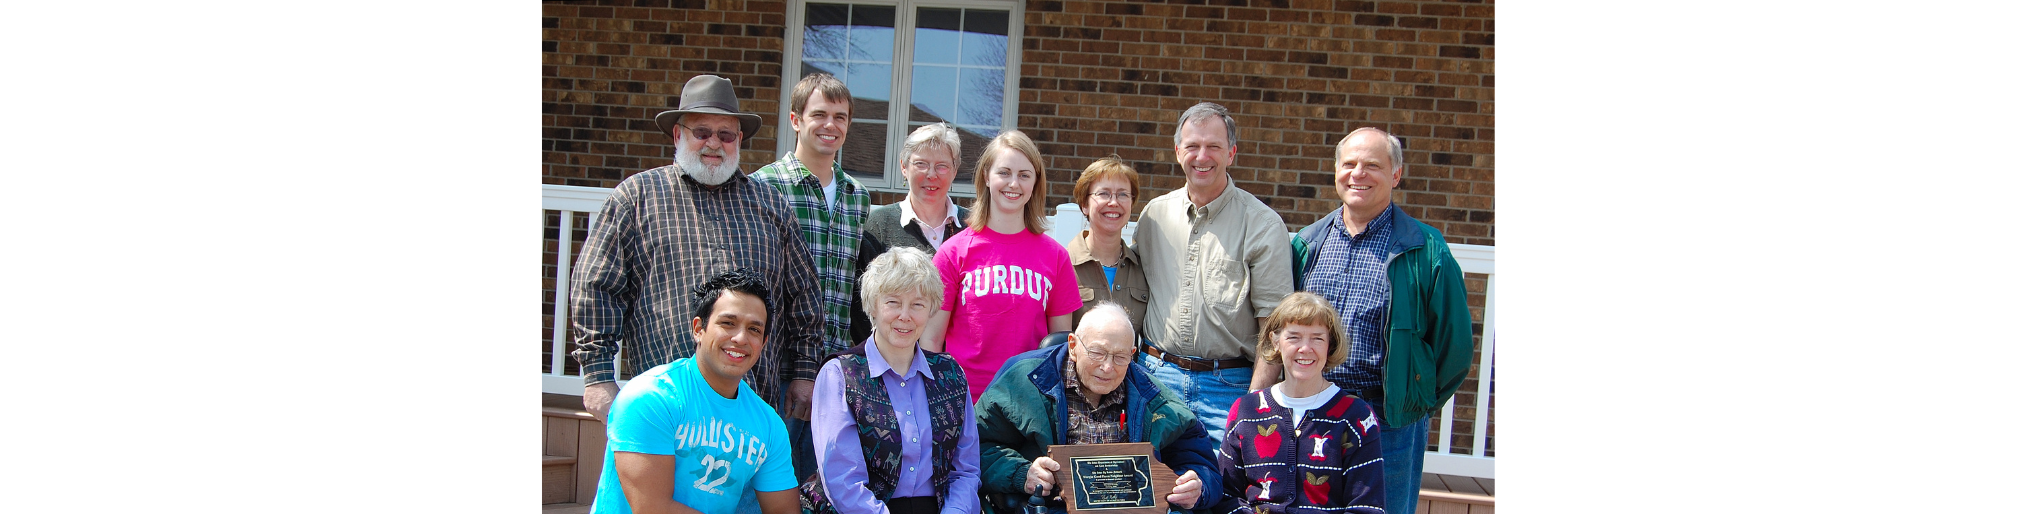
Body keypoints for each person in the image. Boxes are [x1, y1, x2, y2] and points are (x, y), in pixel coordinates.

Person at [570, 74, 827, 423]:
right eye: (702, 132)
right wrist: (598, 375)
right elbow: (596, 288)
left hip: (750, 409)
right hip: (663, 407)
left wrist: (804, 372)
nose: (714, 144)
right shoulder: (637, 198)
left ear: (739, 140)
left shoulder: (772, 206)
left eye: (726, 135)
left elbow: (804, 299)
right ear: (678, 135)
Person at [1290, 127, 1473, 514]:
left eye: (1372, 165)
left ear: (1395, 175)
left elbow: (1453, 348)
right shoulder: (1307, 244)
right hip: (1312, 413)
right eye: (1350, 164)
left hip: (1387, 421)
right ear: (1336, 170)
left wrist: (1412, 399)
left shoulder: (1424, 248)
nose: (1358, 174)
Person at [1133, 101, 1295, 449]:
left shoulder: (1263, 225)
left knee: (1221, 494)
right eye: (1192, 146)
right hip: (1154, 379)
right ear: (1178, 151)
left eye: (1213, 146)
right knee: (1149, 491)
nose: (1201, 156)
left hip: (1228, 388)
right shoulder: (1153, 216)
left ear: (1231, 153)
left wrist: (1255, 405)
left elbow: (1274, 329)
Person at [588, 269, 801, 514]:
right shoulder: (651, 397)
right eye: (728, 323)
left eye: (754, 329)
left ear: (763, 343)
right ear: (699, 329)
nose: (741, 338)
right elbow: (652, 509)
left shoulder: (769, 425)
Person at [973, 303, 1219, 514]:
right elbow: (974, 449)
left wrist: (1198, 487)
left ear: (1133, 354)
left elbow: (1201, 464)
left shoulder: (1154, 398)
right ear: (1073, 346)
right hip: (1052, 507)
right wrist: (1022, 473)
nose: (1108, 367)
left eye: (1120, 357)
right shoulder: (1022, 382)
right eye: (1097, 353)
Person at [750, 71, 870, 482]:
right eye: (819, 114)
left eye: (840, 116)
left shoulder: (857, 196)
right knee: (772, 478)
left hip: (836, 366)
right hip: (778, 362)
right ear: (796, 119)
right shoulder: (764, 187)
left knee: (823, 481)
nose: (830, 125)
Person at [806, 247, 981, 514]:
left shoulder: (951, 374)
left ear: (932, 309)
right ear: (873, 306)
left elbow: (966, 470)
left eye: (918, 304)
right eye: (893, 302)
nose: (905, 315)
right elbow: (842, 481)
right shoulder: (840, 375)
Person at [920, 130, 1082, 401]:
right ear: (986, 176)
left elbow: (1060, 349)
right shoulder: (953, 252)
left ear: (1035, 183)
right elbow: (931, 341)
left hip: (1030, 404)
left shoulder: (1055, 257)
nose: (1014, 184)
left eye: (1024, 175)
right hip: (964, 401)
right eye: (1004, 172)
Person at [1215, 292, 1384, 514]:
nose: (1305, 348)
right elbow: (1226, 497)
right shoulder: (1245, 411)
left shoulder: (1356, 417)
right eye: (1294, 337)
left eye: (1317, 338)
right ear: (1276, 342)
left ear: (1329, 345)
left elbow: (1367, 508)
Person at [849, 122, 968, 345]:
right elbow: (861, 308)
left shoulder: (973, 228)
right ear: (904, 167)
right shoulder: (877, 226)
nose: (931, 175)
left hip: (955, 366)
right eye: (921, 164)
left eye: (941, 166)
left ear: (954, 171)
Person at [1063, 155, 1149, 338]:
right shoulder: (1063, 264)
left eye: (1123, 194)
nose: (1114, 202)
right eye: (1103, 193)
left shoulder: (1142, 269)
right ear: (1084, 204)